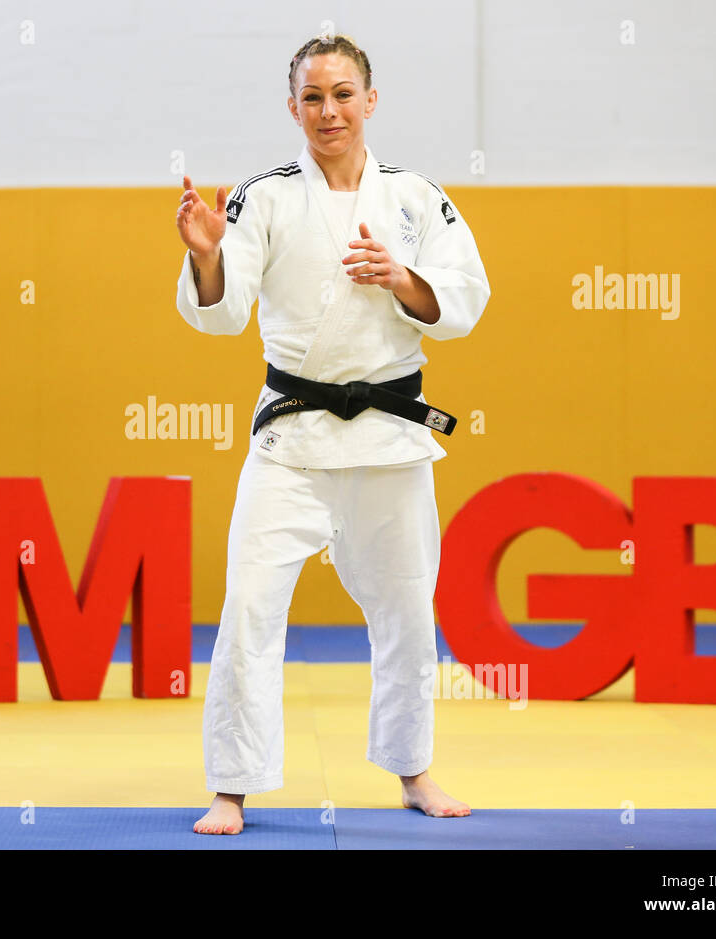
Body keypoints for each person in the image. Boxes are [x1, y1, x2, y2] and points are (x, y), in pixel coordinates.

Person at [173, 34, 490, 835]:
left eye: (343, 94)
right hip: (294, 439)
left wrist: (403, 278)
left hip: (390, 437)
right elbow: (221, 307)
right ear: (293, 108)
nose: (329, 111)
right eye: (313, 97)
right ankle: (232, 786)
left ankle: (413, 768)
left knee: (410, 613)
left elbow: (465, 297)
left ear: (371, 101)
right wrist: (209, 257)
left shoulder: (417, 197)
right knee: (248, 603)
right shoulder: (264, 196)